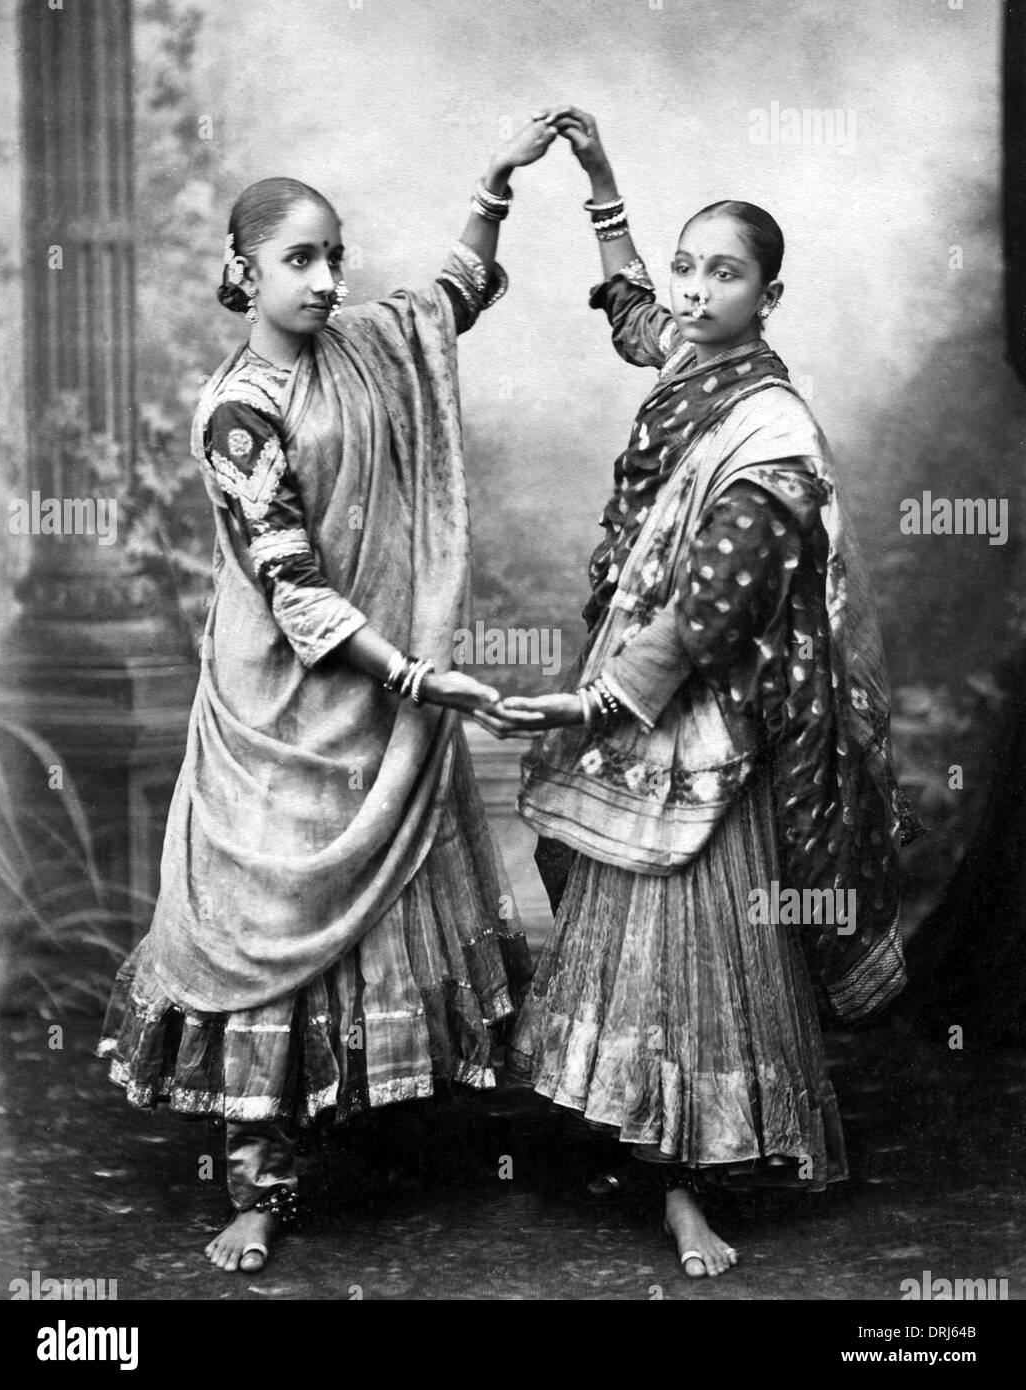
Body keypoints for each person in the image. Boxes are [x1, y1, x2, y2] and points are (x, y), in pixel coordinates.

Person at [97, 115, 558, 1274]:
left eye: (334, 257)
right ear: (244, 270)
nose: (325, 280)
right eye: (299, 260)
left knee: (370, 931)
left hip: (376, 701)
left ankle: (364, 1132)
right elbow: (294, 593)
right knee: (268, 930)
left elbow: (449, 300)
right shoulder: (237, 413)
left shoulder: (363, 347)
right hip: (285, 705)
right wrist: (418, 674)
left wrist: (491, 187)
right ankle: (257, 1186)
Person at [477, 106, 922, 1279]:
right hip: (639, 697)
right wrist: (600, 176)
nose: (689, 290)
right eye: (687, 266)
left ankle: (691, 1187)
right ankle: (645, 1152)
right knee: (630, 946)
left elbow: (705, 615)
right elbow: (632, 315)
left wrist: (591, 707)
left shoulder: (769, 435)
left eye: (722, 274)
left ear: (767, 298)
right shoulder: (690, 364)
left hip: (704, 721)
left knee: (701, 949)